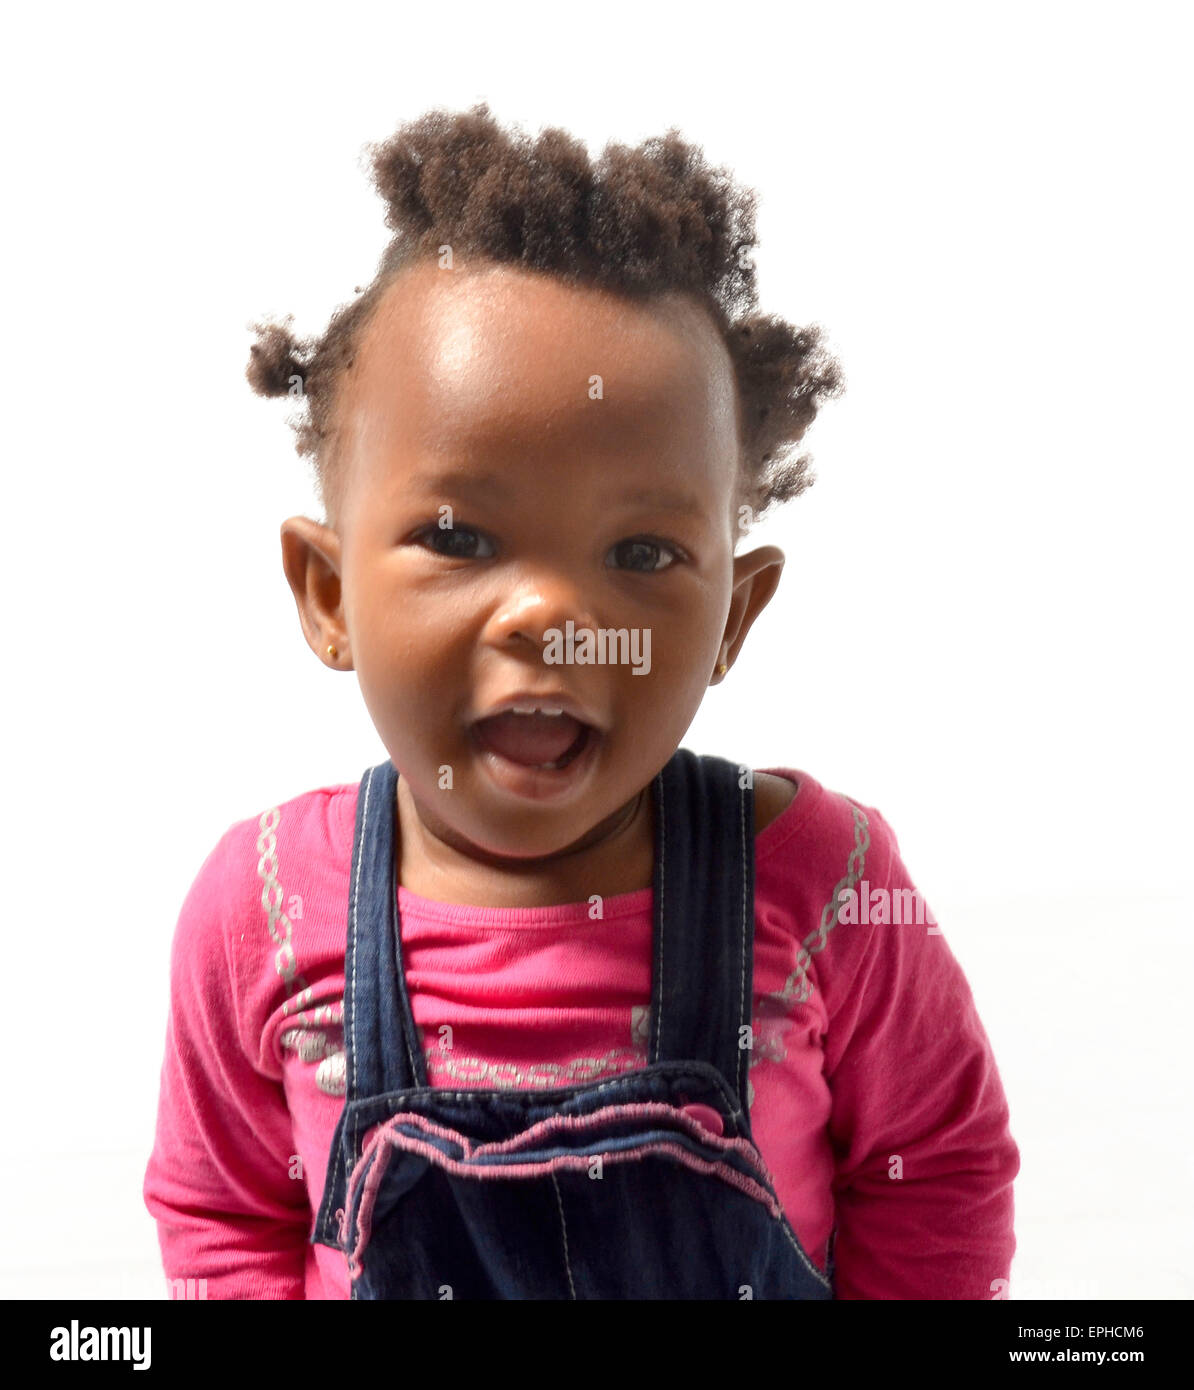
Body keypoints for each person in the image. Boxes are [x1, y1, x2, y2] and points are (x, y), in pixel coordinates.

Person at [143, 102, 1019, 1299]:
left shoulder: (825, 885)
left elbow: (937, 1173)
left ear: (736, 618)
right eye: (459, 536)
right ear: (329, 591)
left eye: (644, 554)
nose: (550, 616)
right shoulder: (260, 911)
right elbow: (223, 1209)